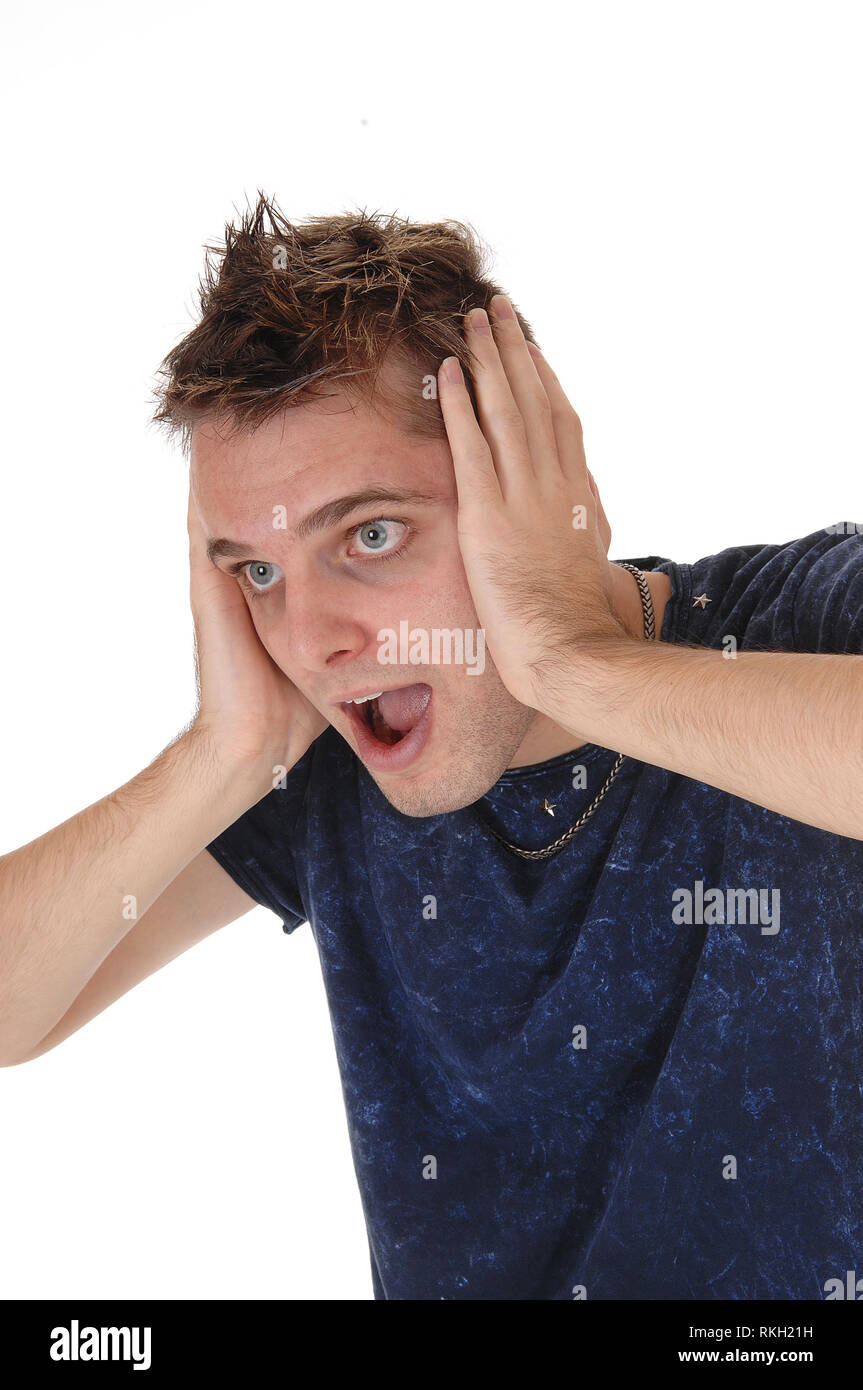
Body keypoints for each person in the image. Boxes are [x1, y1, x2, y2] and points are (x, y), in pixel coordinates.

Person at [2, 195, 861, 1301]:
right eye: (256, 572)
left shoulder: (803, 621)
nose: (310, 640)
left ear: (527, 479)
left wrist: (566, 658)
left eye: (368, 533)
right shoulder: (320, 763)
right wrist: (221, 751)